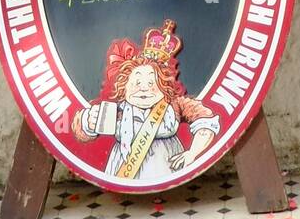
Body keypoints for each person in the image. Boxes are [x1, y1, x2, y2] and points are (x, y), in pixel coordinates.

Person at [71, 19, 220, 183]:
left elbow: (205, 121)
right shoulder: (117, 109)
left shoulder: (175, 105)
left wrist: (192, 152)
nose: (144, 88)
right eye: (137, 82)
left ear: (163, 85)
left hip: (168, 166)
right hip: (123, 169)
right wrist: (89, 122)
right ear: (124, 86)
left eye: (151, 83)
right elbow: (82, 130)